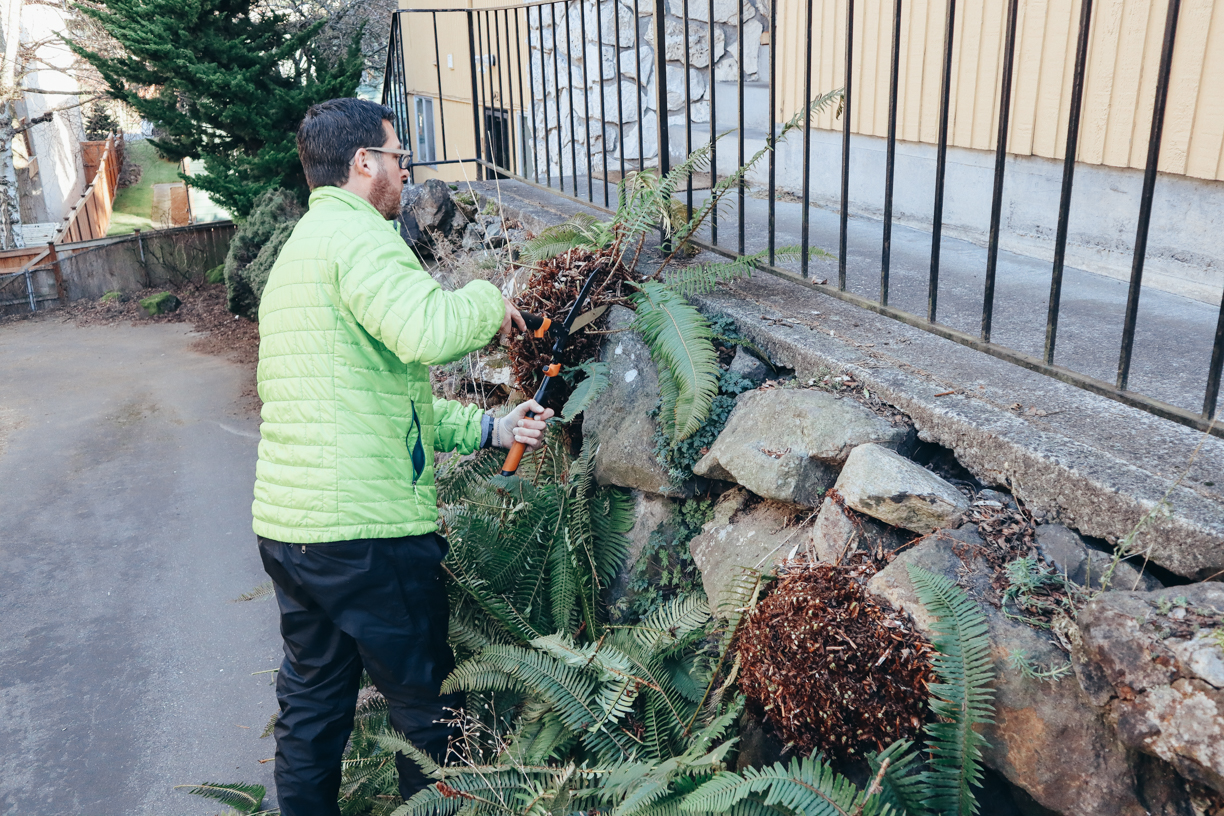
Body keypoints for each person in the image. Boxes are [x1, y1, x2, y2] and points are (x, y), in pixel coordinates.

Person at [252, 97, 554, 816]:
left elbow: (380, 394)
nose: (406, 171)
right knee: (427, 708)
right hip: (368, 535)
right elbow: (425, 331)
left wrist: (490, 430)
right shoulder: (360, 238)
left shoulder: (303, 250)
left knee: (314, 704)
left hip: (294, 533)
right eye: (397, 157)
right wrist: (489, 298)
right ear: (362, 164)